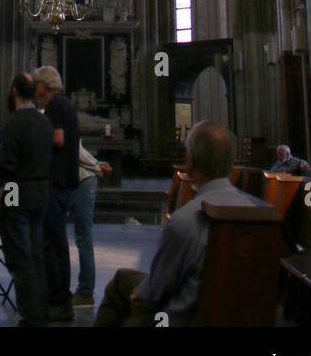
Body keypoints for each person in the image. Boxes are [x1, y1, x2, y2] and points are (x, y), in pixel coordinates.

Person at [93, 120, 258, 327]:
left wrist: (141, 296)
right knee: (124, 279)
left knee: (127, 298)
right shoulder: (258, 212)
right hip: (239, 316)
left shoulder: (185, 221)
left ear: (191, 160)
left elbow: (156, 291)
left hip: (178, 320)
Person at [0, 73, 54, 327]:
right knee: (36, 255)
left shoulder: (14, 123)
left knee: (19, 258)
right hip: (41, 192)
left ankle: (32, 319)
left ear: (14, 91)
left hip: (18, 192)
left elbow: (5, 169)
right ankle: (41, 312)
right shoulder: (44, 122)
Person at [33, 65, 79, 322]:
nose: (36, 89)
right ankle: (61, 299)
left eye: (38, 84)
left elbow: (58, 139)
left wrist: (36, 135)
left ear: (45, 86)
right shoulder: (64, 105)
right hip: (64, 181)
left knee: (51, 243)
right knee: (57, 241)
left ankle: (57, 299)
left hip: (57, 182)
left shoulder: (55, 106)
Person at [71, 143, 112, 307]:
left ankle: (86, 291)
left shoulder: (59, 118)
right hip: (78, 178)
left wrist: (96, 165)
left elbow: (75, 149)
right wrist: (97, 164)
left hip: (82, 179)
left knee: (83, 237)